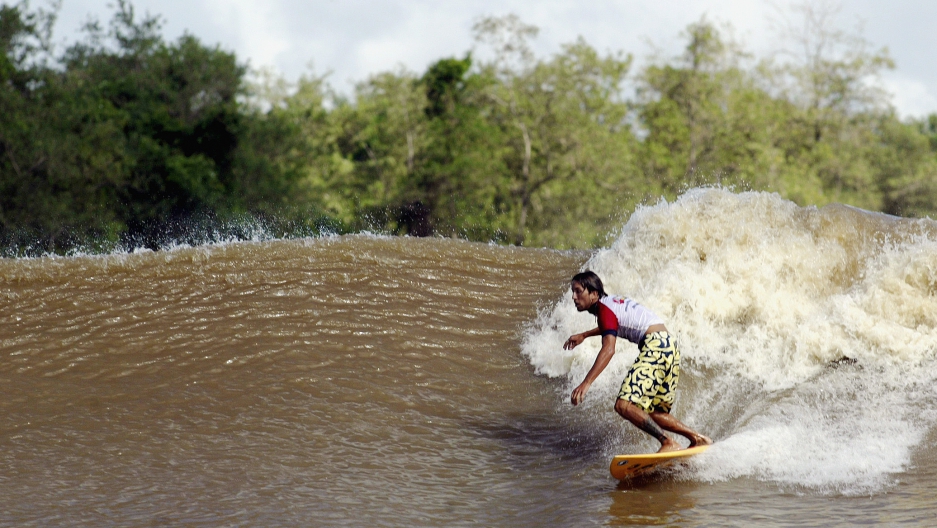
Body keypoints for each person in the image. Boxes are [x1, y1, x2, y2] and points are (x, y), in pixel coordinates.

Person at [563, 271, 711, 453]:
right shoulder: (610, 303)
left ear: (594, 293)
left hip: (655, 346)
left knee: (623, 405)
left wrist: (586, 383)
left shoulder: (604, 310)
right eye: (573, 292)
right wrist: (585, 335)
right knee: (655, 412)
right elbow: (611, 325)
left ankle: (668, 442)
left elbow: (609, 349)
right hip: (669, 345)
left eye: (578, 291)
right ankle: (698, 438)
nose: (574, 297)